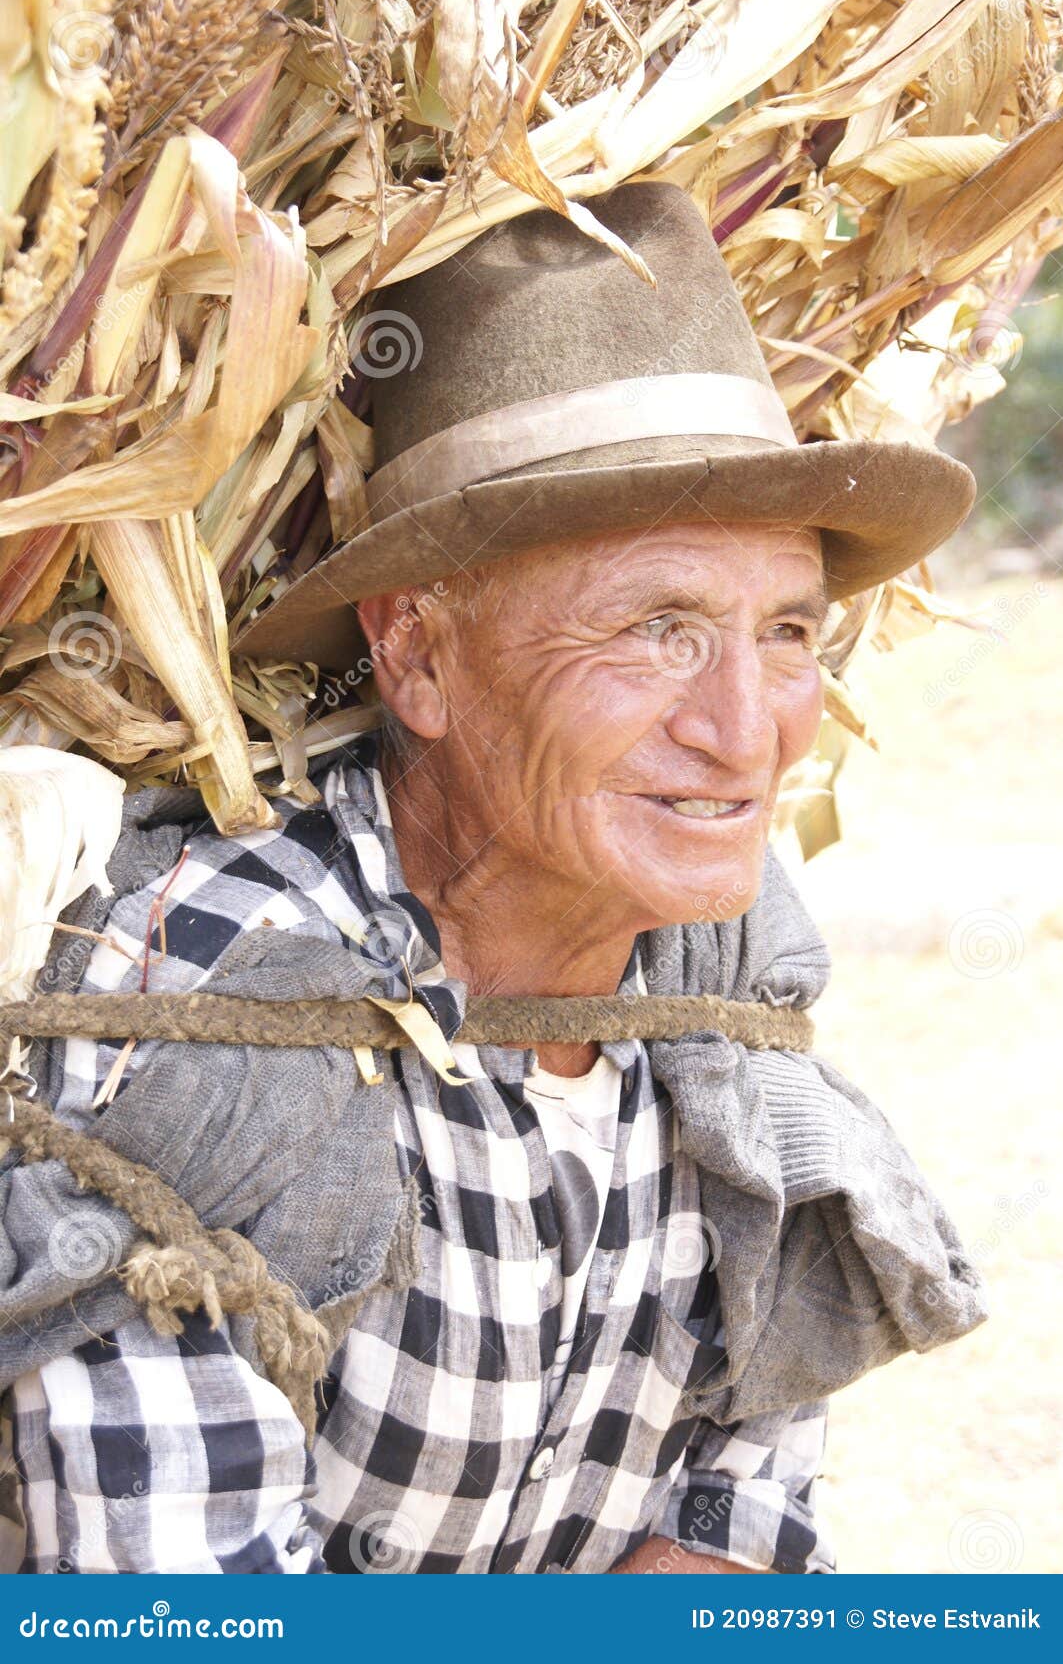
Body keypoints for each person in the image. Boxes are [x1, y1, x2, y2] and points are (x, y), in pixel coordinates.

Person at [0, 183, 985, 1574]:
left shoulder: (729, 981)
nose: (747, 728)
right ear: (417, 658)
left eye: (785, 632)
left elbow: (737, 1525)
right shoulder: (209, 991)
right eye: (658, 629)